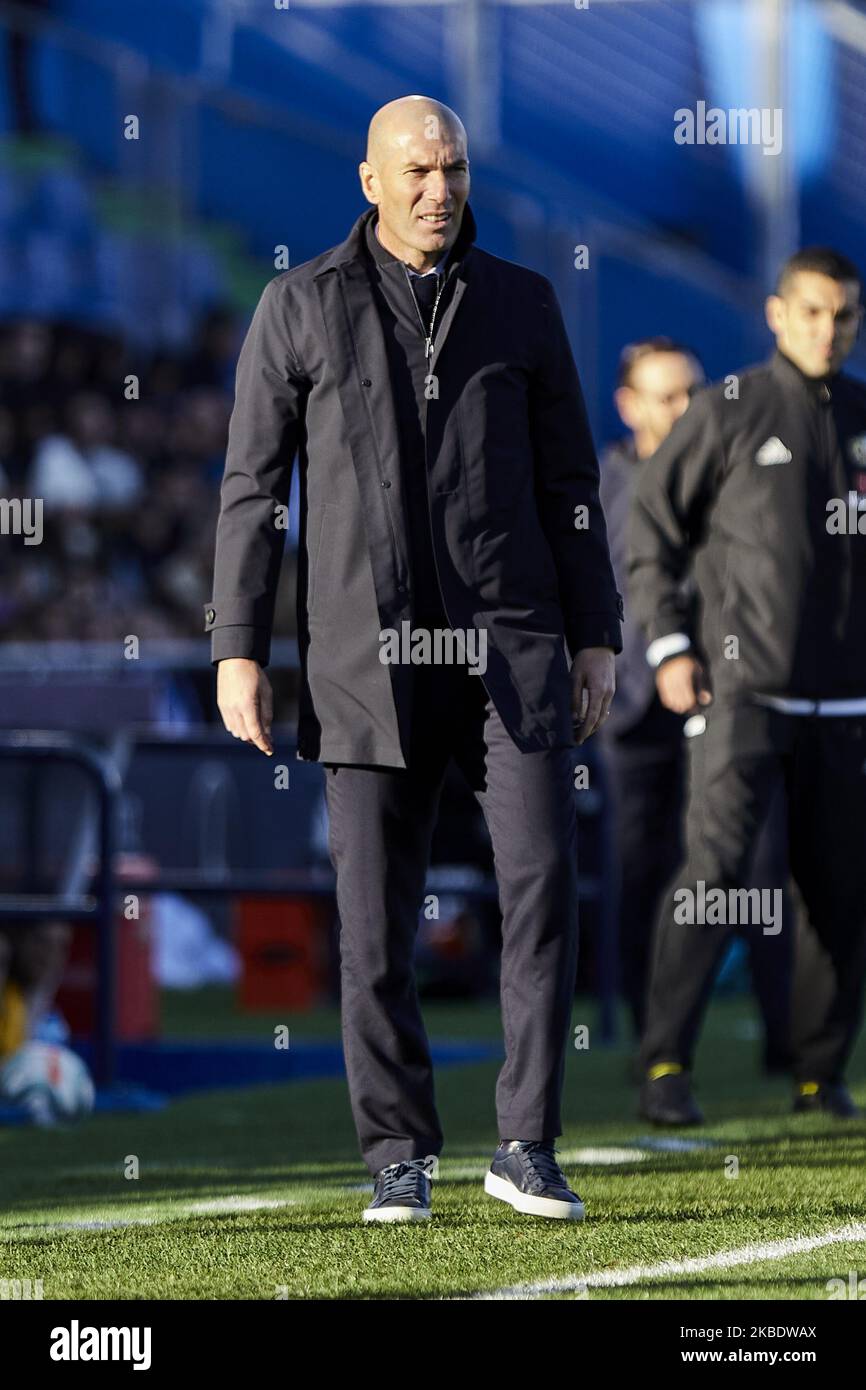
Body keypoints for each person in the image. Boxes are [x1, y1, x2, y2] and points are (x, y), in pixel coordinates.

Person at [206, 95, 623, 1222]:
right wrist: (237, 646)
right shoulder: (296, 306)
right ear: (369, 181)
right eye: (418, 171)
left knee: (538, 893)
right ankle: (398, 1152)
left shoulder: (523, 306)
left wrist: (595, 633)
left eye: (452, 168)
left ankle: (524, 1143)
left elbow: (570, 490)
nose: (440, 189)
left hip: (513, 653)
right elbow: (251, 493)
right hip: (361, 659)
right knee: (373, 921)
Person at [628, 247, 866, 1124]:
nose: (826, 329)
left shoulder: (862, 415)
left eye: (842, 314)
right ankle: (663, 1067)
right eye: (809, 311)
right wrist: (669, 647)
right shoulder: (729, 410)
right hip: (741, 695)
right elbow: (650, 529)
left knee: (839, 892)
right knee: (715, 875)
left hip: (848, 708)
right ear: (776, 313)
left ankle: (817, 1075)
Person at [601, 339, 795, 1074]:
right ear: (629, 404)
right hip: (635, 708)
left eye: (692, 392)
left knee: (758, 865)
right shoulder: (600, 484)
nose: (684, 408)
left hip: (728, 697)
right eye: (666, 394)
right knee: (641, 870)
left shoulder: (736, 475)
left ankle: (790, 1044)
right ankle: (652, 1039)